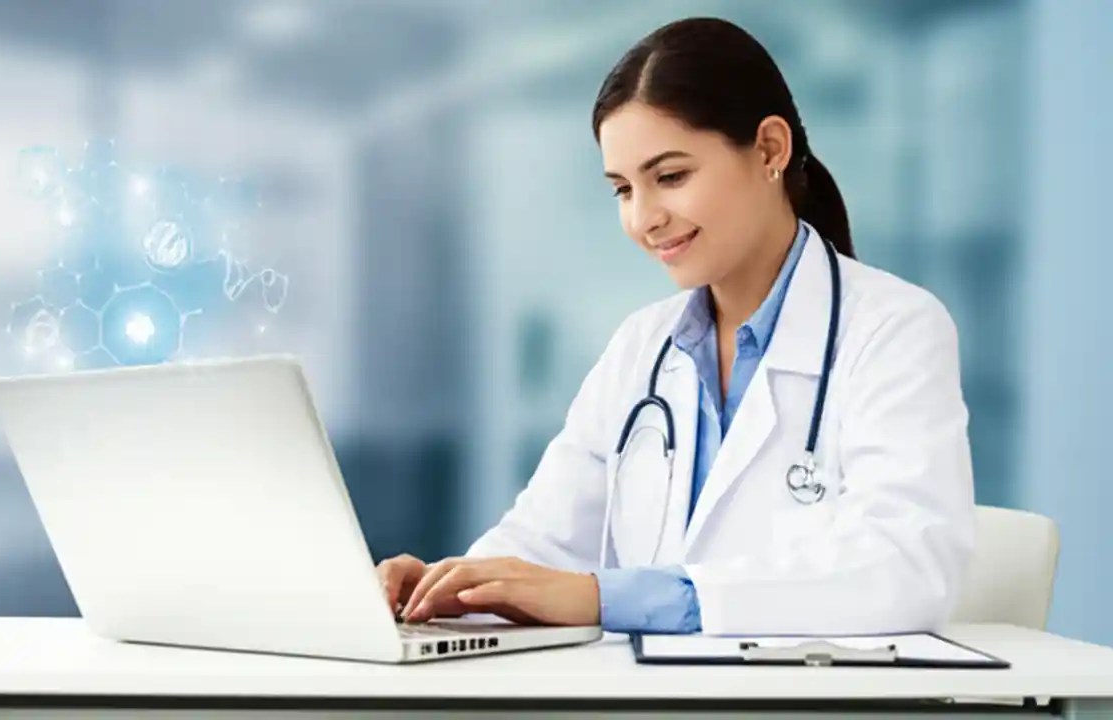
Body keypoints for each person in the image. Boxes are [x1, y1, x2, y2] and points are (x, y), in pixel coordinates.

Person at [377, 16, 974, 636]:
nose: (644, 219)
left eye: (670, 177)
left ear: (770, 149)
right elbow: (544, 541)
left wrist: (611, 599)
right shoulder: (642, 345)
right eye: (622, 190)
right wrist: (454, 588)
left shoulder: (893, 329)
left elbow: (906, 567)